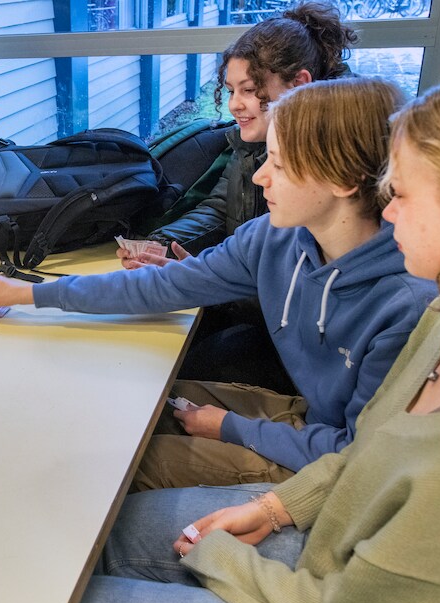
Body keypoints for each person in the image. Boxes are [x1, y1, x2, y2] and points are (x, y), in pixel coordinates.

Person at [71, 56, 440, 603]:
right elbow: (367, 451)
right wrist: (279, 507)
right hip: (336, 543)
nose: (386, 210)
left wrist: (218, 556)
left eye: (402, 193)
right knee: (96, 537)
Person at [0, 77, 437, 489]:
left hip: (324, 464)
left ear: (344, 180)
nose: (260, 176)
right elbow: (161, 286)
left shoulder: (407, 304)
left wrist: (230, 427)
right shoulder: (272, 238)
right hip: (305, 419)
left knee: (115, 467)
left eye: (278, 164)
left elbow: (356, 455)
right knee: (118, 410)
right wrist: (31, 293)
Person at [129, 1, 359, 394]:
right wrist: (163, 243)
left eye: (249, 91)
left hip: (296, 348)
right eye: (232, 90)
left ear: (299, 85)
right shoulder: (252, 145)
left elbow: (304, 297)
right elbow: (221, 207)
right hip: (253, 311)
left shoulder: (326, 170)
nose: (234, 104)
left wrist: (214, 282)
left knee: (172, 374)